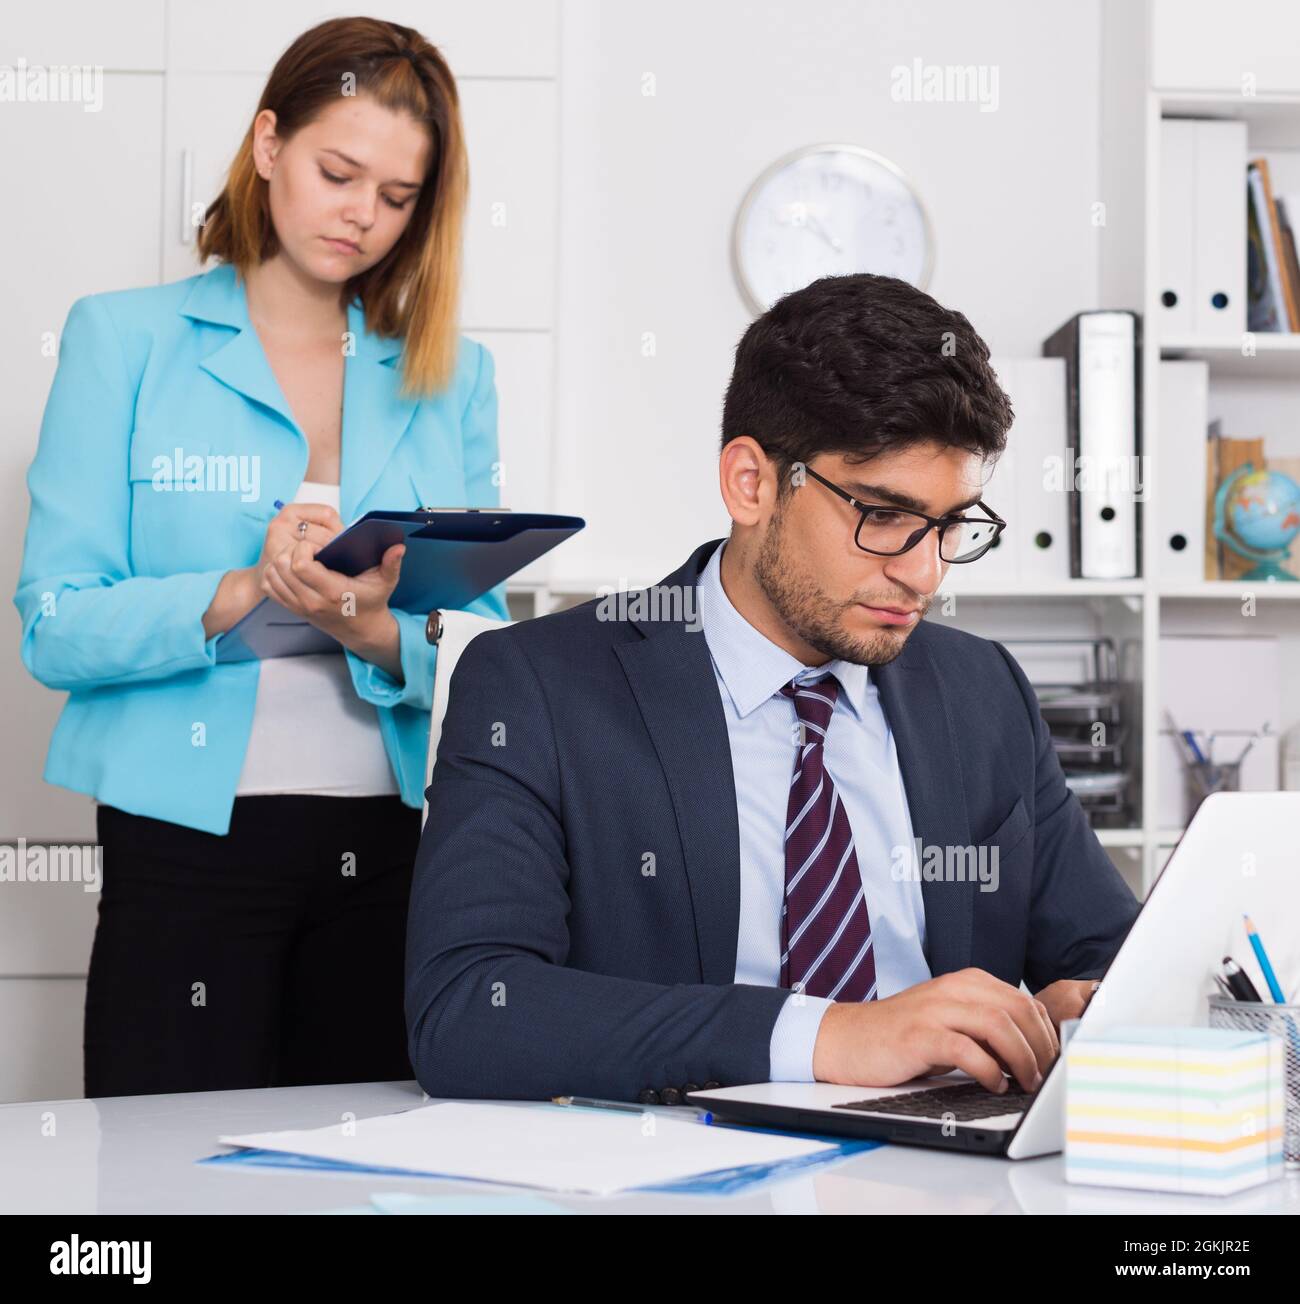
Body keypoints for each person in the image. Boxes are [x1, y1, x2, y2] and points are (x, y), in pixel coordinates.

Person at [407, 271, 1140, 1104]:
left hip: (949, 1170)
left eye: (952, 526)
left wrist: (1079, 1014)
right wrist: (831, 1036)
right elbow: (467, 1009)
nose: (923, 572)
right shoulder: (537, 685)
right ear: (751, 483)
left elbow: (1108, 955)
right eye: (884, 516)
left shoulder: (983, 689)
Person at [13, 18, 507, 1097]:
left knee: (364, 1168)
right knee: (162, 1167)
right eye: (339, 172)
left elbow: (488, 646)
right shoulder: (123, 338)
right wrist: (235, 591)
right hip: (185, 840)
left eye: (395, 195)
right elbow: (54, 623)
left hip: (396, 842)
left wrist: (372, 628)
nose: (360, 216)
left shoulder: (449, 372)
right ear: (269, 142)